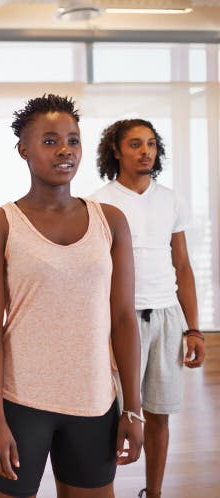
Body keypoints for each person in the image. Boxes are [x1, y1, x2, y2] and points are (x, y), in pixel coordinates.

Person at [0, 94, 144, 498]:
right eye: (49, 141)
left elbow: (122, 318)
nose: (65, 150)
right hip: (20, 404)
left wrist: (133, 408)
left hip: (95, 403)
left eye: (73, 140)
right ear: (23, 150)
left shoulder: (111, 221)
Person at [91, 119, 207, 498]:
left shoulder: (172, 199)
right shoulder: (99, 201)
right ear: (116, 151)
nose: (146, 151)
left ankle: (153, 493)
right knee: (112, 414)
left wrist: (194, 329)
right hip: (119, 319)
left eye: (152, 144)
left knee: (159, 415)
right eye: (136, 144)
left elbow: (184, 267)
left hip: (167, 318)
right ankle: (100, 489)